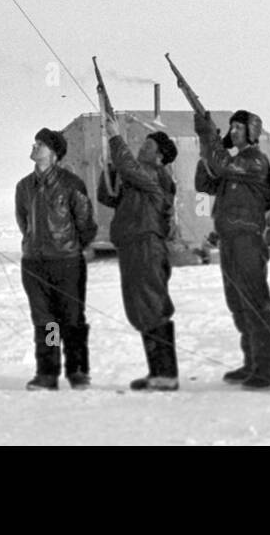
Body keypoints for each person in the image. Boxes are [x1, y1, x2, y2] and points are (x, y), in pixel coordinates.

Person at [195, 107, 270, 389]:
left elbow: (220, 167)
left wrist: (210, 140)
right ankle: (251, 361)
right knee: (238, 304)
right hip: (230, 239)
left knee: (255, 303)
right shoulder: (233, 163)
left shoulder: (255, 161)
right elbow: (204, 183)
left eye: (239, 128)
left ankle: (265, 368)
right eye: (231, 128)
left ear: (252, 132)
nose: (233, 132)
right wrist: (206, 147)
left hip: (247, 240)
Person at [96, 116, 179, 390]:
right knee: (141, 308)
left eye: (148, 146)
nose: (142, 148)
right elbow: (108, 197)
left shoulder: (155, 175)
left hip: (146, 246)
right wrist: (108, 167)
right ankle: (158, 372)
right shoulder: (139, 178)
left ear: (160, 157)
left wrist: (115, 138)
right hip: (133, 245)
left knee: (152, 305)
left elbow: (130, 168)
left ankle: (165, 374)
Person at [15, 127, 98, 390]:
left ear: (54, 154)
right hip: (34, 264)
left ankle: (77, 372)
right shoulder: (24, 186)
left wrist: (69, 247)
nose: (35, 147)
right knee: (46, 321)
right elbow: (23, 221)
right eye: (35, 142)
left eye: (41, 144)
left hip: (67, 263)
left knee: (72, 319)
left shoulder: (72, 184)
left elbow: (86, 224)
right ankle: (47, 373)